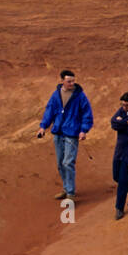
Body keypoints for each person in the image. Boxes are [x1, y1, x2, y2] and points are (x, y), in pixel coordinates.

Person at [36, 69, 93, 201]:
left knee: (68, 162)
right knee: (60, 163)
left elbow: (87, 114)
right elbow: (49, 111)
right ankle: (66, 188)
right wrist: (43, 127)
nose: (72, 83)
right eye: (69, 81)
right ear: (62, 81)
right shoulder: (56, 95)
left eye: (73, 81)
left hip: (72, 133)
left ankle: (70, 194)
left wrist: (84, 130)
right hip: (58, 133)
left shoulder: (80, 96)